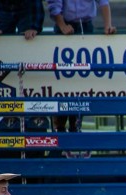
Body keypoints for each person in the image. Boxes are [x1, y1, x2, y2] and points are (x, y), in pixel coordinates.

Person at [47, 0, 116, 137]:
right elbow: (54, 7)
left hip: (86, 28)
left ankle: (76, 125)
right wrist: (62, 26)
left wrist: (108, 25)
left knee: (83, 79)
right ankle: (59, 128)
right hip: (65, 29)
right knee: (62, 81)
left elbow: (103, 2)